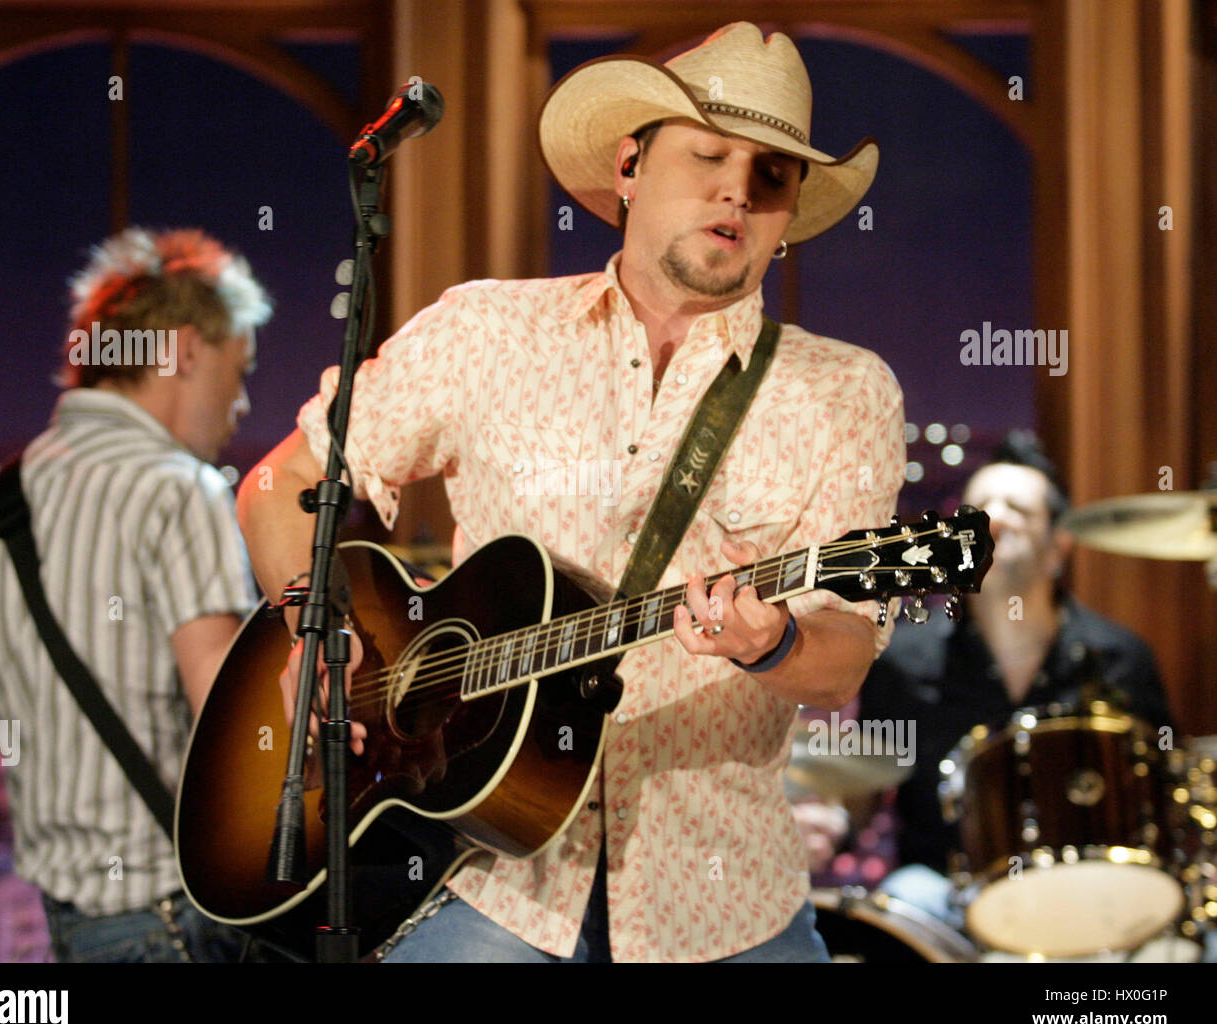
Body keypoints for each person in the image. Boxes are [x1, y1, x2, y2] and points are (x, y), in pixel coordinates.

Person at [238, 22, 905, 962]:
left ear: (791, 212)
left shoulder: (846, 391)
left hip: (722, 903)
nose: (736, 191)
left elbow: (844, 655)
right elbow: (282, 480)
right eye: (708, 155)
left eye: (772, 176)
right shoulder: (486, 331)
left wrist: (778, 641)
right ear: (629, 165)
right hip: (490, 880)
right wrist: (313, 629)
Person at [0, 228, 272, 962]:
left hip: (69, 922)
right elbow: (234, 723)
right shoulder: (178, 489)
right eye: (239, 368)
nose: (243, 401)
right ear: (187, 350)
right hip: (177, 920)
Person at [858, 432, 1171, 922]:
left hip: (1095, 897)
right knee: (902, 899)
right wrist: (829, 818)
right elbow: (861, 787)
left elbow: (1161, 793)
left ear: (1058, 545)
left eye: (1018, 511)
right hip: (945, 897)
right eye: (979, 508)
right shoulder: (901, 660)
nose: (995, 518)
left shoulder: (1121, 659)